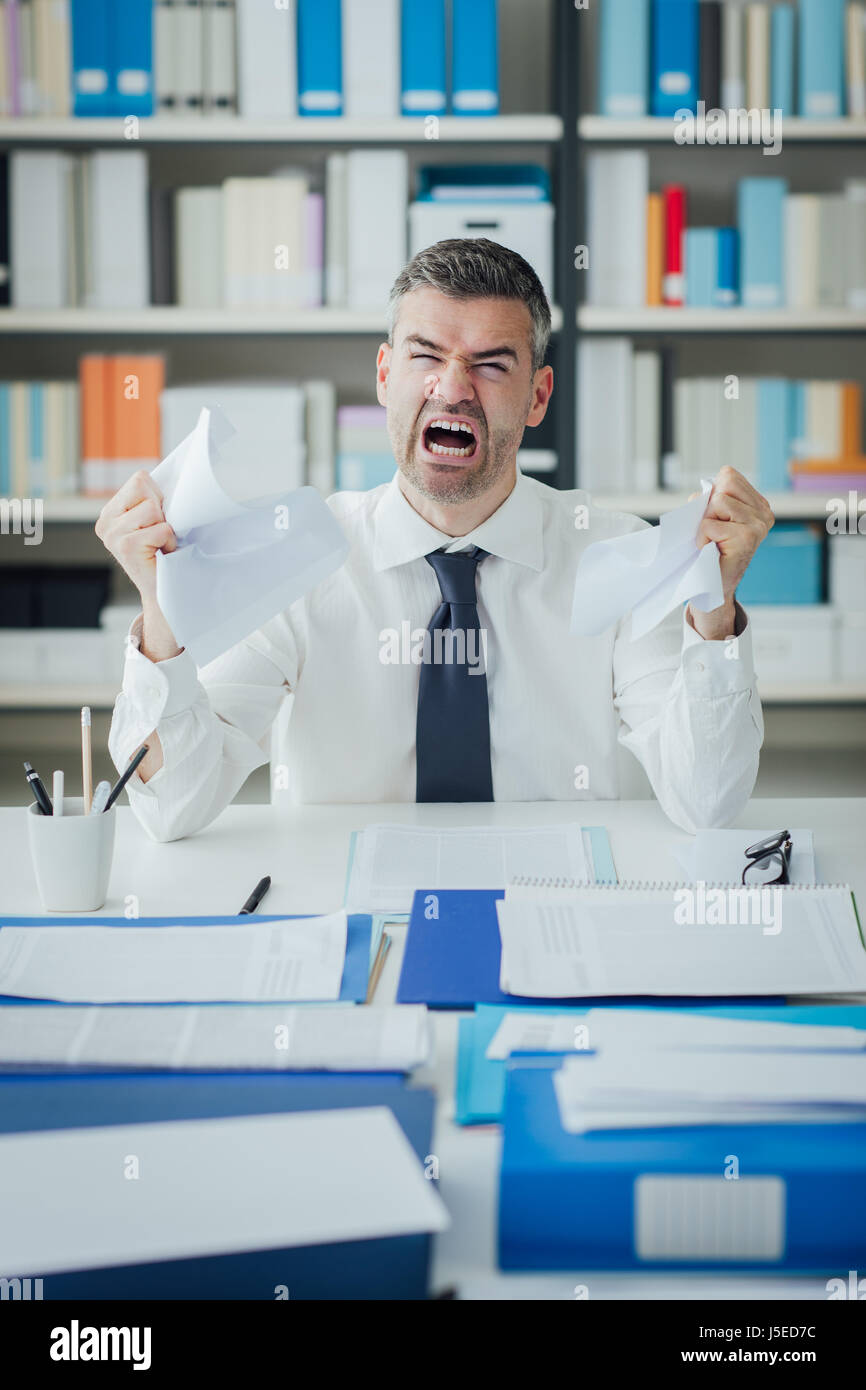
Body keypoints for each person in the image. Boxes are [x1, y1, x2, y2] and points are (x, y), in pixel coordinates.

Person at [97, 238, 773, 841]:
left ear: (538, 398)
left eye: (491, 365)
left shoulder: (617, 557)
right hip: (351, 917)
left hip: (554, 906)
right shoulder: (298, 557)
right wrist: (163, 613)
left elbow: (705, 802)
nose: (452, 388)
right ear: (386, 375)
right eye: (426, 356)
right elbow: (171, 807)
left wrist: (712, 609)